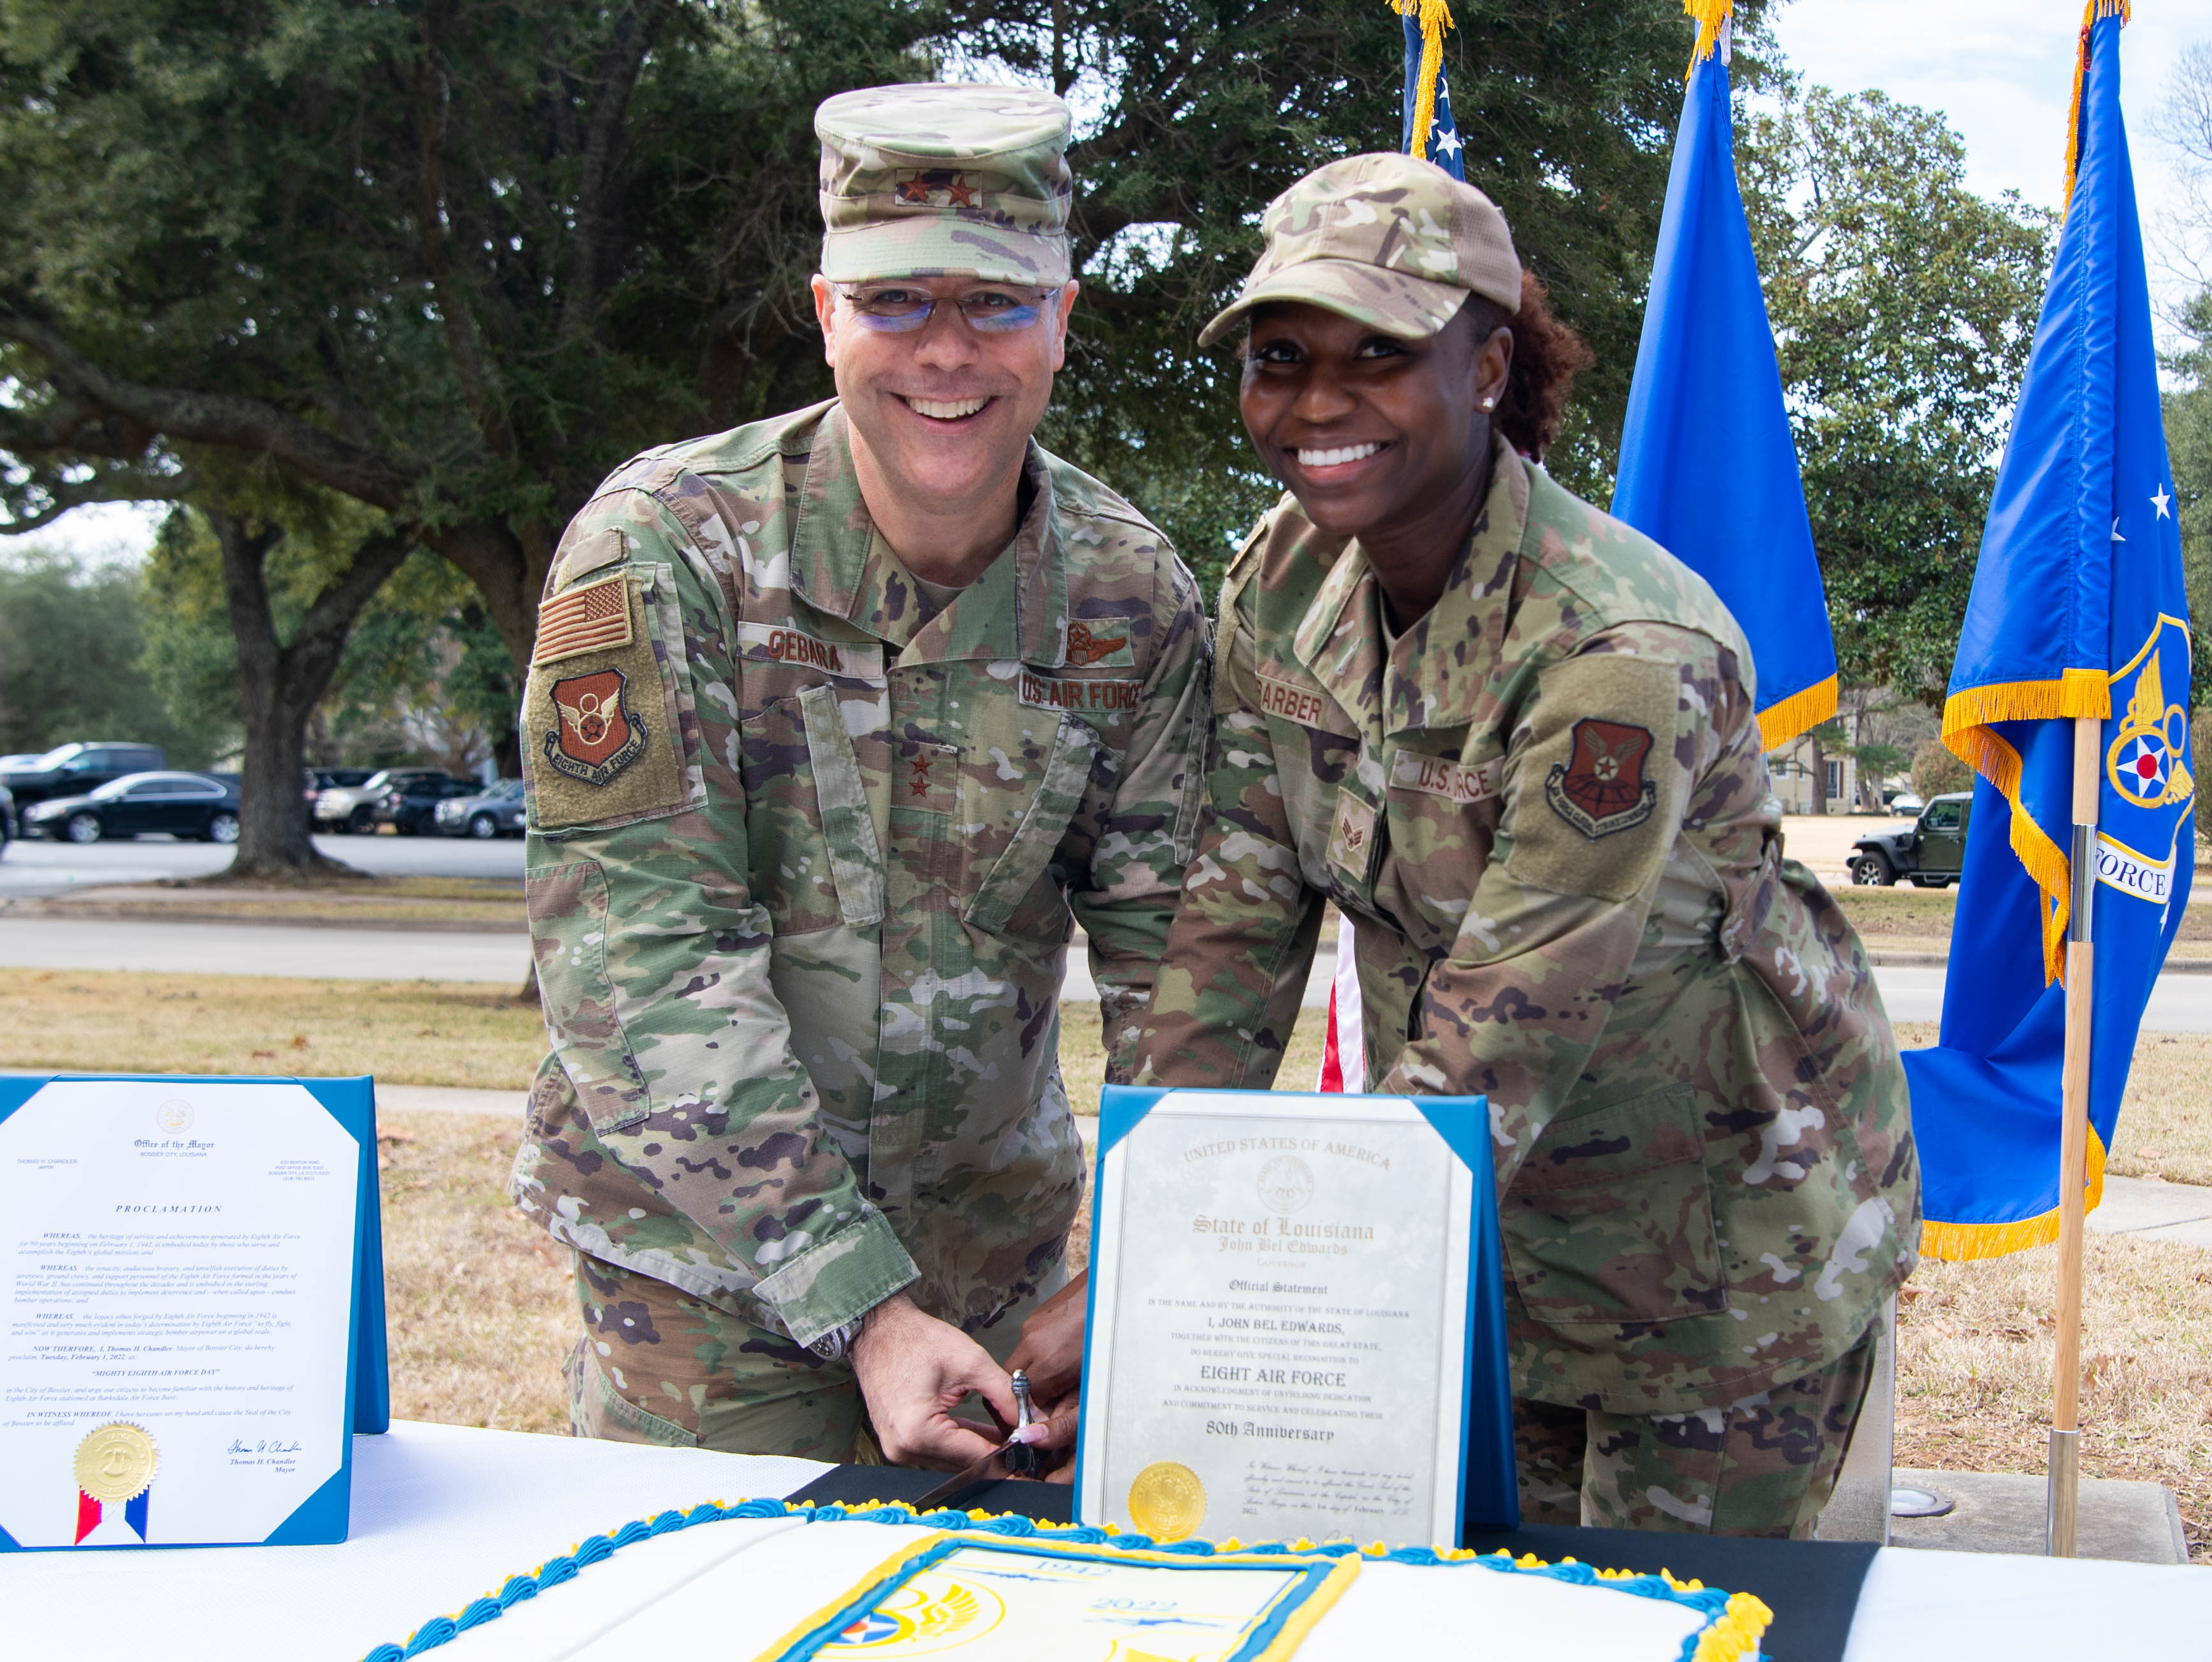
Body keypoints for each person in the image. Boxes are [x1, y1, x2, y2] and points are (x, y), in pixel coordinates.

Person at [1126, 154, 1918, 1536]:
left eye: (1380, 354)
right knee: (1482, 1657)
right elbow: (1237, 912)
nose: (1317, 401)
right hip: (1477, 1254)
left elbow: (1505, 1035)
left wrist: (1256, 1296)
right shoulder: (1284, 573)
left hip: (1718, 1257)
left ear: (1487, 369)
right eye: (1278, 356)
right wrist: (1154, 1236)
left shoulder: (1615, 647)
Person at [511, 84, 1209, 1471]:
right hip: (709, 1290)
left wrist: (1137, 1262)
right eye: (898, 306)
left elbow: (1183, 975)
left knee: (988, 1659)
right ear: (827, 313)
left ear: (1061, 322)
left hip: (998, 1290)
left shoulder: (1131, 597)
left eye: (997, 306)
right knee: (697, 1656)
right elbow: (641, 963)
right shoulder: (665, 551)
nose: (947, 353)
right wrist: (861, 1305)